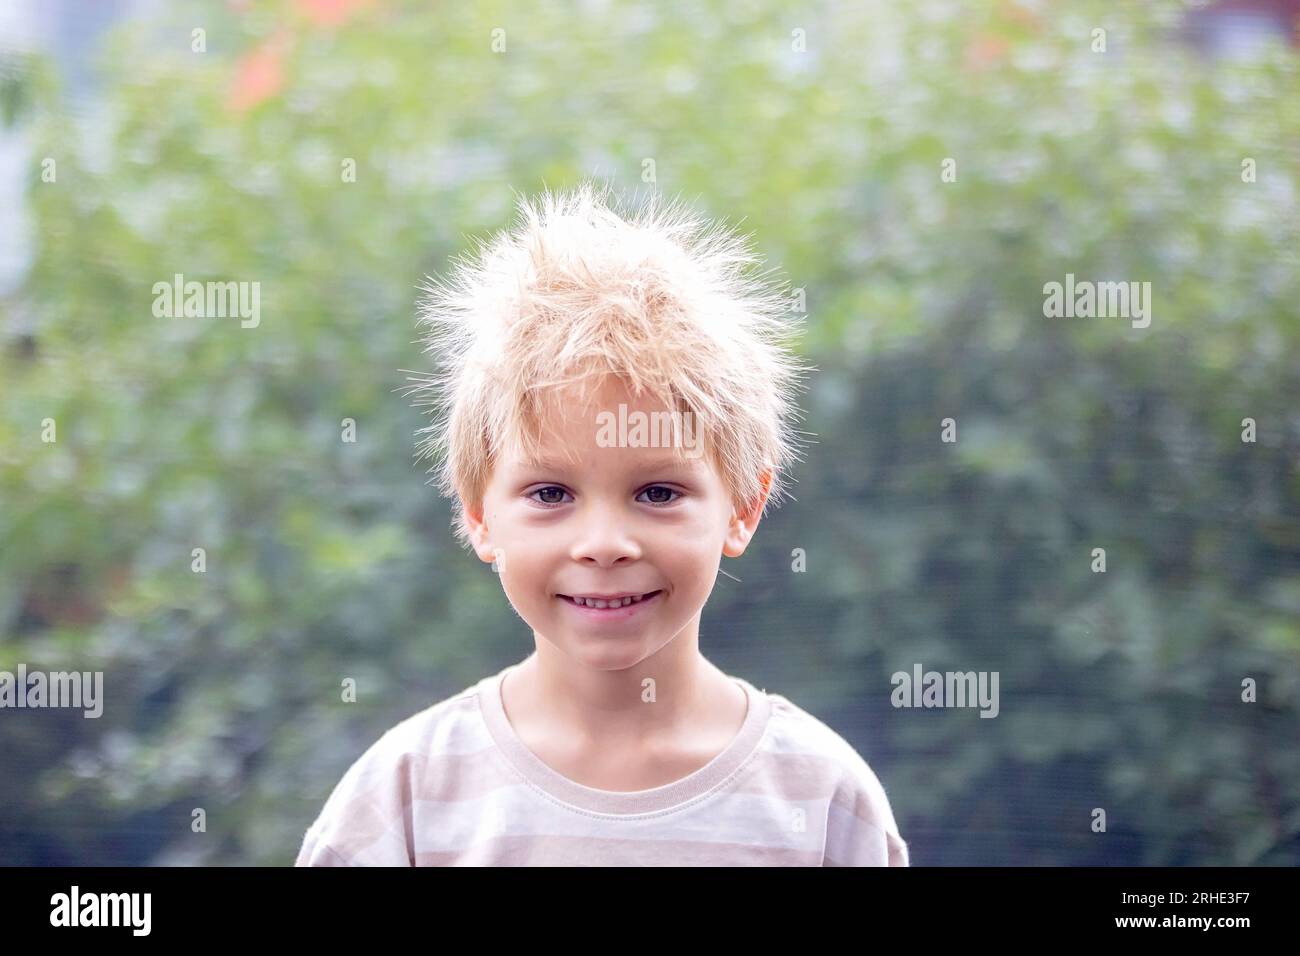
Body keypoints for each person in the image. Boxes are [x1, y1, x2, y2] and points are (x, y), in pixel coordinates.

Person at [295, 180, 908, 866]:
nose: (605, 544)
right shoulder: (404, 798)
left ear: (742, 507)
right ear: (478, 513)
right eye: (551, 493)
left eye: (657, 492)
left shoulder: (822, 800)